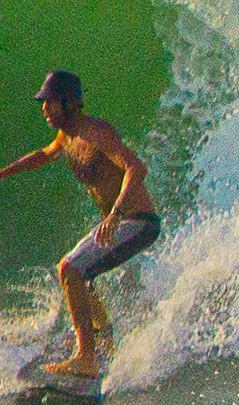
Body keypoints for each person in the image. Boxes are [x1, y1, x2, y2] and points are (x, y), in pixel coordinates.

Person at [0, 72, 157, 381]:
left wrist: (114, 214)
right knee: (81, 278)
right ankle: (103, 341)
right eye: (42, 102)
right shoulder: (66, 136)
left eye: (49, 102)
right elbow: (44, 155)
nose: (44, 108)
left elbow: (135, 168)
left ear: (69, 103)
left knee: (69, 269)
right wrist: (4, 172)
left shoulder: (96, 132)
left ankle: (86, 357)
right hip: (121, 221)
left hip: (137, 221)